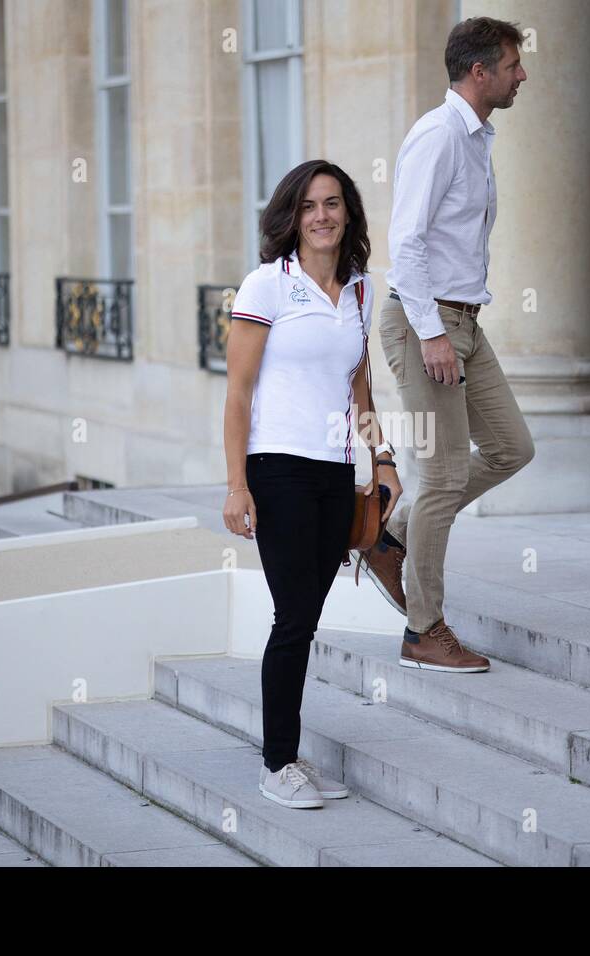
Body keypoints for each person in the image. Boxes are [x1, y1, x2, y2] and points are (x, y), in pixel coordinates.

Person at [351, 16, 534, 672]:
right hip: (427, 323)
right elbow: (407, 242)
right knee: (445, 475)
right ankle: (423, 630)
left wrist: (451, 330)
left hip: (465, 325)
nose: (522, 76)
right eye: (513, 65)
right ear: (479, 72)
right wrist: (431, 333)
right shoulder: (438, 135)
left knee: (514, 447)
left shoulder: (478, 138)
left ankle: (393, 537)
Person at [222, 160, 402, 809]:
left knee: (305, 616)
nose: (322, 215)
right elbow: (238, 393)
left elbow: (358, 387)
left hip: (335, 475)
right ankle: (277, 765)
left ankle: (288, 755)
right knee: (293, 617)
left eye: (332, 203)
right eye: (308, 206)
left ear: (348, 212)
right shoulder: (267, 286)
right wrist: (237, 485)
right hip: (277, 470)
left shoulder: (359, 290)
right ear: (290, 218)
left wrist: (382, 460)